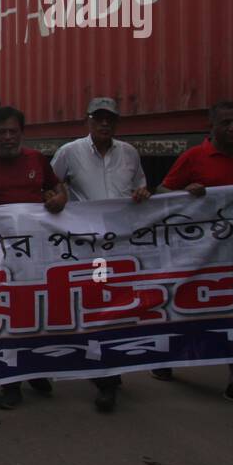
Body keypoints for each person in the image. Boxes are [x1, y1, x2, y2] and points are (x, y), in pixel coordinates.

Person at [154, 100, 233, 411]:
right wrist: (186, 194)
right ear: (211, 126)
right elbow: (159, 194)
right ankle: (166, 358)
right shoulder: (194, 157)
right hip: (202, 255)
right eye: (225, 123)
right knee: (190, 307)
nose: (232, 128)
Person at [48, 97, 152, 413]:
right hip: (86, 244)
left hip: (123, 243)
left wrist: (142, 194)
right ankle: (105, 376)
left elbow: (142, 187)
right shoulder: (69, 152)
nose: (105, 124)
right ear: (88, 121)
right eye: (99, 118)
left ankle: (108, 369)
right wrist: (59, 198)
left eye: (110, 119)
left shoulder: (129, 153)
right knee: (95, 303)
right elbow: (50, 186)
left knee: (119, 303)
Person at [0, 106, 69, 409]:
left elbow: (56, 185)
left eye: (14, 131)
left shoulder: (36, 160)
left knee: (35, 313)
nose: (9, 137)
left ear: (22, 133)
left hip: (37, 254)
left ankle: (35, 370)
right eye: (2, 132)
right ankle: (9, 381)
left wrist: (60, 197)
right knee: (6, 317)